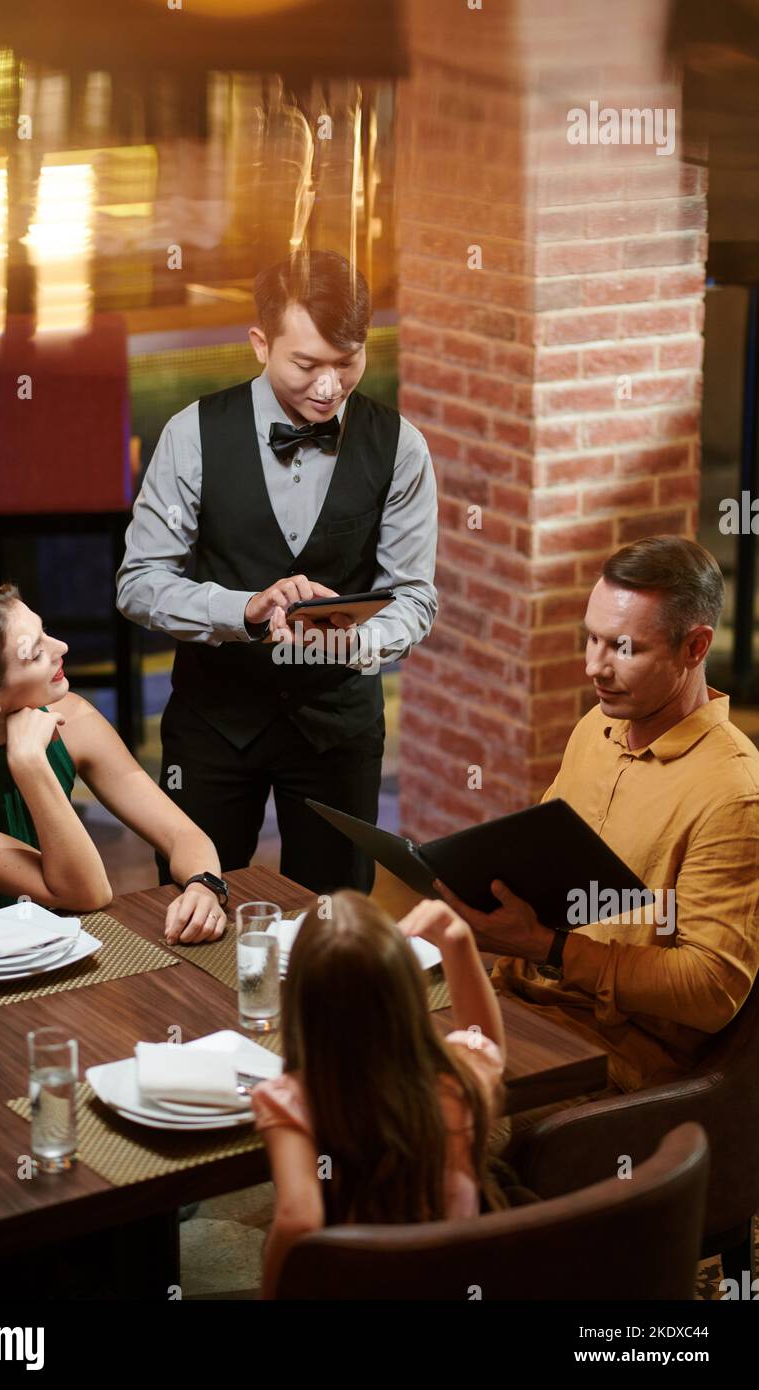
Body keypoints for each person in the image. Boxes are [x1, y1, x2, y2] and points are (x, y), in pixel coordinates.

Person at [116, 248, 437, 896]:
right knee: (193, 906)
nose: (328, 386)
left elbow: (413, 595)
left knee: (335, 921)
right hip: (214, 722)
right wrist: (242, 611)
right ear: (260, 343)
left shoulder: (399, 446)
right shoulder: (192, 435)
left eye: (346, 363)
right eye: (307, 364)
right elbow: (140, 581)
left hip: (337, 726)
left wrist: (358, 641)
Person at [437, 535, 759, 1137]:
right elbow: (542, 860)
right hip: (521, 997)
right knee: (364, 1052)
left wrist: (549, 948)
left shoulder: (734, 794)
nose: (593, 666)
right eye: (591, 637)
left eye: (623, 647)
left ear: (696, 647)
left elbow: (714, 989)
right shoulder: (599, 726)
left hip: (610, 1058)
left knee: (432, 1119)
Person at [0, 584, 229, 944]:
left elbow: (183, 834)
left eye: (45, 633)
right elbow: (87, 892)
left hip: (51, 955)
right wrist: (29, 763)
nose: (61, 648)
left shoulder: (72, 719)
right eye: (35, 653)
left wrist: (203, 886)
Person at [250, 890, 507, 1299]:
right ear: (409, 992)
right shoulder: (456, 1080)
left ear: (301, 1003)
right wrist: (457, 942)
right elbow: (488, 1041)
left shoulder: (289, 1100)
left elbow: (299, 1219)